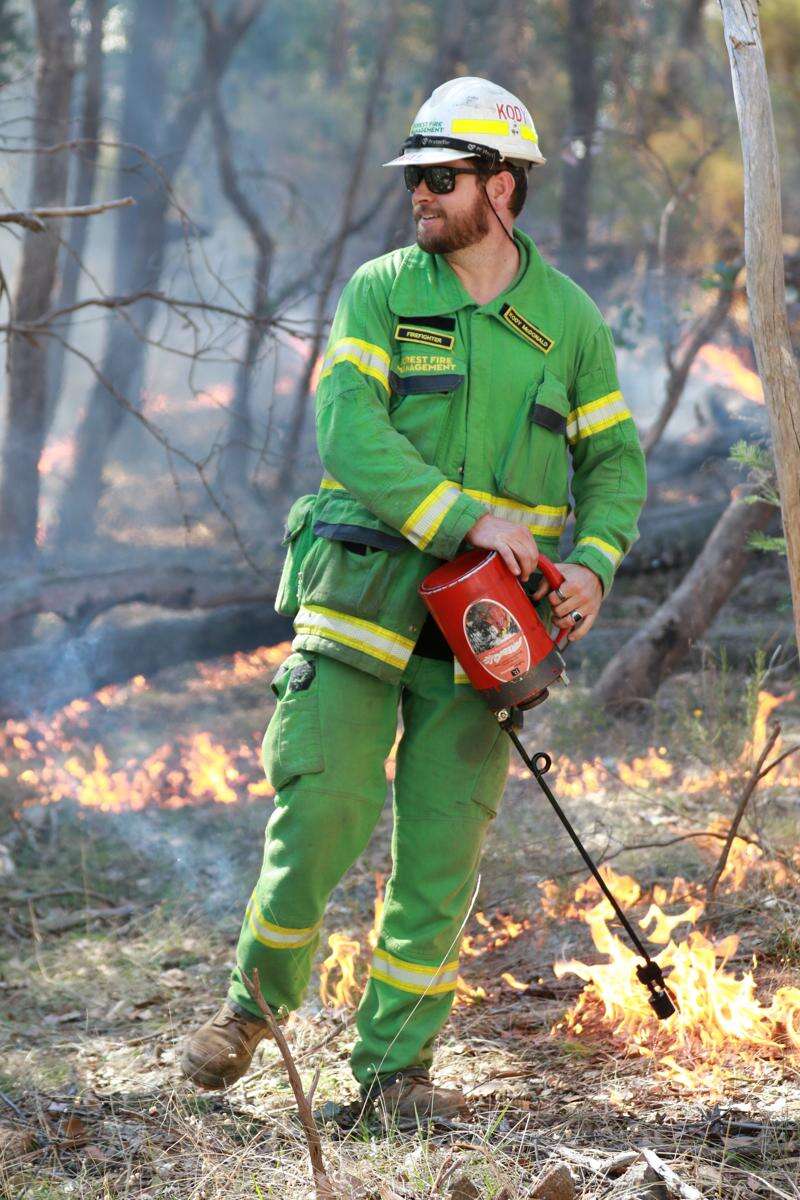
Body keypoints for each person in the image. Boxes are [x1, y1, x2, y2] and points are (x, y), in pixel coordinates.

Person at [180, 77, 647, 1121]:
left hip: (487, 634)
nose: (418, 197)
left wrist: (593, 563)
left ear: (501, 187)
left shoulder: (566, 321)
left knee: (441, 848)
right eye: (414, 180)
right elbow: (348, 430)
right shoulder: (382, 291)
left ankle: (393, 1076)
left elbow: (611, 460)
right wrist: (463, 519)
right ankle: (247, 1013)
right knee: (324, 812)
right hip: (360, 601)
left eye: (439, 179)